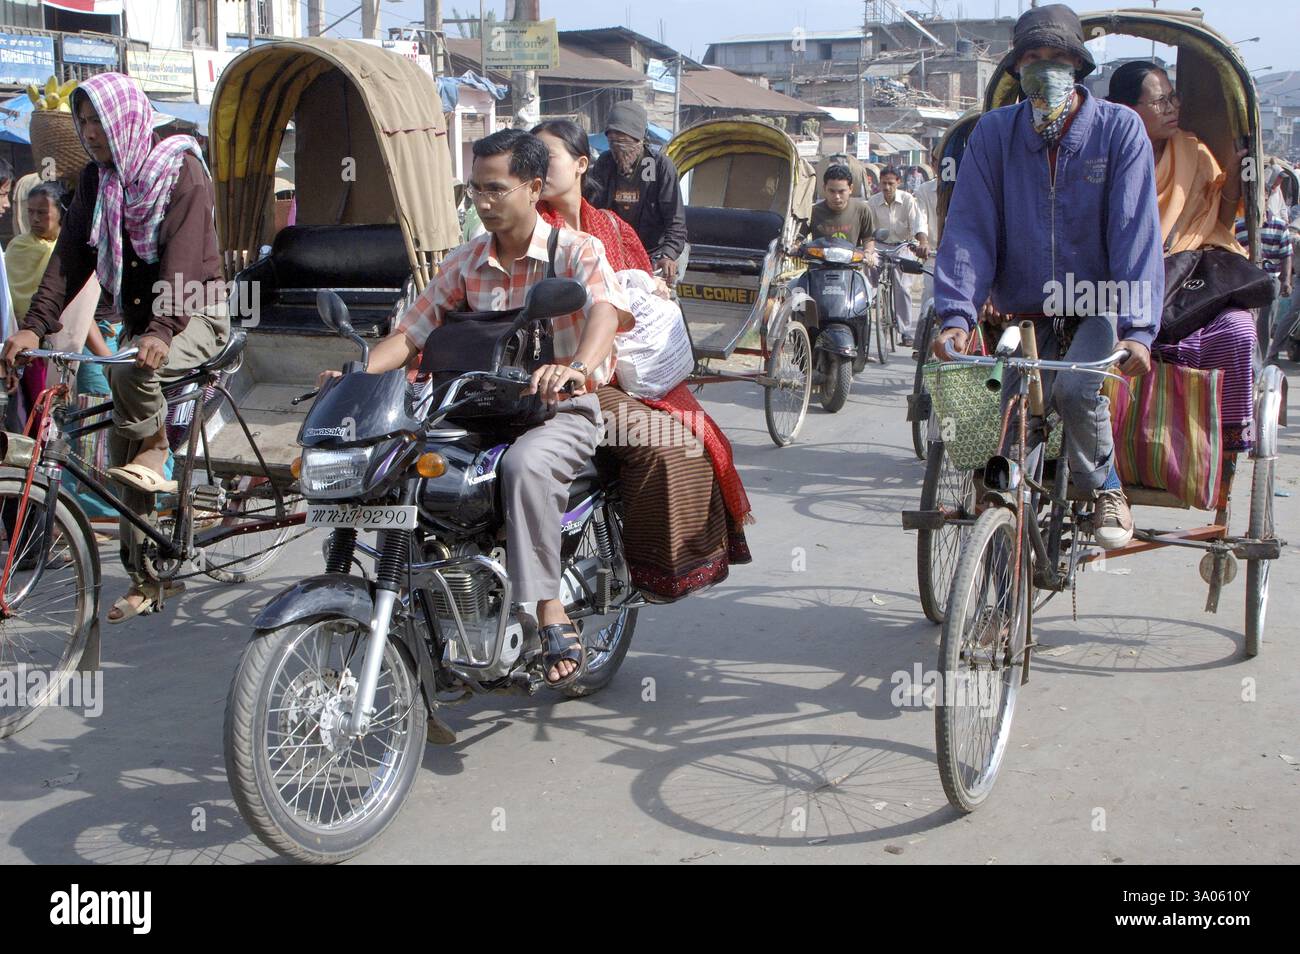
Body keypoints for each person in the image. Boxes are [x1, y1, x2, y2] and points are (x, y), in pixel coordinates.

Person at [318, 128, 632, 688]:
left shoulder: (575, 250)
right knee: (400, 470)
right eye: (475, 191)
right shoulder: (465, 262)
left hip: (557, 409)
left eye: (495, 189)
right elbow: (410, 335)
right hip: (470, 412)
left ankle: (549, 611)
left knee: (524, 466)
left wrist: (576, 366)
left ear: (534, 187)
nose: (482, 203)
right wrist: (354, 375)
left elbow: (604, 313)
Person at [932, 3, 1165, 550]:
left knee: (1080, 391)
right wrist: (956, 314)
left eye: (1056, 58)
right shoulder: (993, 135)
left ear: (1078, 66)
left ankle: (1104, 486)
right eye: (1032, 58)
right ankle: (1002, 540)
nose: (1044, 67)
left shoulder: (1119, 130)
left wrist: (1138, 330)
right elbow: (968, 229)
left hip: (1096, 303)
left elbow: (1136, 232)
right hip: (1022, 309)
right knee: (1014, 410)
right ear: (1017, 70)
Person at [0, 72, 229, 623]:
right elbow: (69, 262)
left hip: (197, 311)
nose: (89, 131)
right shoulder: (101, 184)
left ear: (125, 118)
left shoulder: (181, 171)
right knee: (125, 463)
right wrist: (33, 327)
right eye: (82, 122)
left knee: (129, 381)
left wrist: (159, 331)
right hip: (147, 325)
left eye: (98, 119)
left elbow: (182, 258)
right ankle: (146, 577)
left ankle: (157, 445)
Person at [532, 118, 752, 601]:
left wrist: (654, 282)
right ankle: (650, 570)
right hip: (560, 377)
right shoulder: (527, 229)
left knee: (693, 440)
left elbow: (631, 290)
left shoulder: (610, 226)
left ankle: (646, 575)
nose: (537, 168)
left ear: (580, 164)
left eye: (547, 157)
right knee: (663, 443)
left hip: (615, 370)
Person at [1105, 60, 1258, 453]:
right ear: (1129, 110)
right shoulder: (1103, 156)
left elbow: (1219, 221)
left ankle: (1224, 446)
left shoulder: (1193, 152)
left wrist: (1234, 182)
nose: (1172, 108)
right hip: (1119, 283)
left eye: (1173, 98)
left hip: (1190, 279)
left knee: (1239, 330)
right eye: (1160, 102)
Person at [586, 101, 688, 283]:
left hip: (654, 255)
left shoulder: (660, 166)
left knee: (663, 301)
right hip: (614, 254)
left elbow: (675, 222)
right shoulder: (604, 163)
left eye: (624, 140)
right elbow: (592, 211)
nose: (618, 146)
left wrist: (668, 255)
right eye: (612, 141)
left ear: (639, 139)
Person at [1236, 169, 1294, 361]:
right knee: (1244, 323)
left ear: (1268, 197)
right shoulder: (1239, 226)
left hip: (1269, 280)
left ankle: (1261, 363)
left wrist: (1285, 280)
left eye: (1264, 194)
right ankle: (1246, 361)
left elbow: (1286, 254)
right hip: (1244, 282)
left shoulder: (1279, 226)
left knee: (1264, 324)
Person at [868, 166, 929, 346]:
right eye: (883, 183)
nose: (886, 187)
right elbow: (867, 229)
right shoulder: (872, 202)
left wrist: (919, 243)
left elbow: (917, 225)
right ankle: (867, 311)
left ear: (898, 183)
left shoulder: (908, 200)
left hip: (903, 246)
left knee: (902, 287)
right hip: (880, 247)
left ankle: (904, 331)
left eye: (890, 183)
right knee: (868, 275)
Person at [811, 164, 877, 250]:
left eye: (841, 191)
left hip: (851, 262)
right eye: (832, 191)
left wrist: (868, 253)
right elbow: (799, 238)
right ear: (824, 188)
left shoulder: (862, 210)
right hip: (819, 262)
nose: (837, 196)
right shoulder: (813, 212)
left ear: (851, 189)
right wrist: (796, 247)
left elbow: (868, 239)